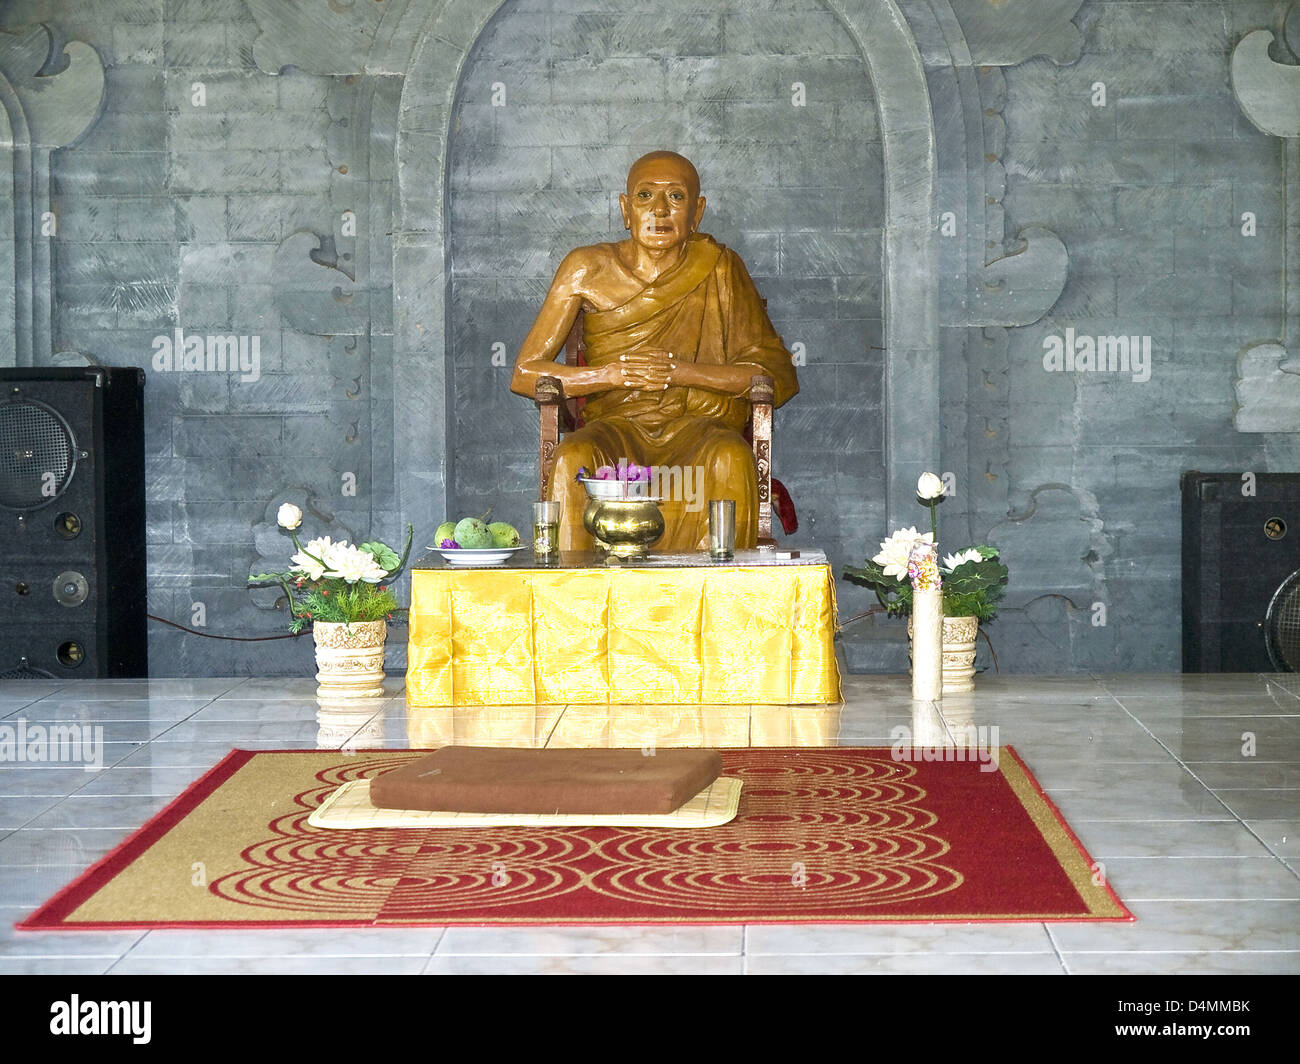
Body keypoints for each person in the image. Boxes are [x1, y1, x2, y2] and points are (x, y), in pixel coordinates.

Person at [510, 151, 798, 551]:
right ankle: (575, 597)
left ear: (697, 211)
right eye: (645, 196)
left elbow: (773, 377)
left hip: (698, 430)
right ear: (625, 209)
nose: (660, 210)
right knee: (572, 456)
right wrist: (610, 375)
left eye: (676, 197)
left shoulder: (721, 268)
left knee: (732, 457)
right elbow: (525, 373)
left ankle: (724, 597)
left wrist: (680, 372)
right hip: (616, 430)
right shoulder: (586, 268)